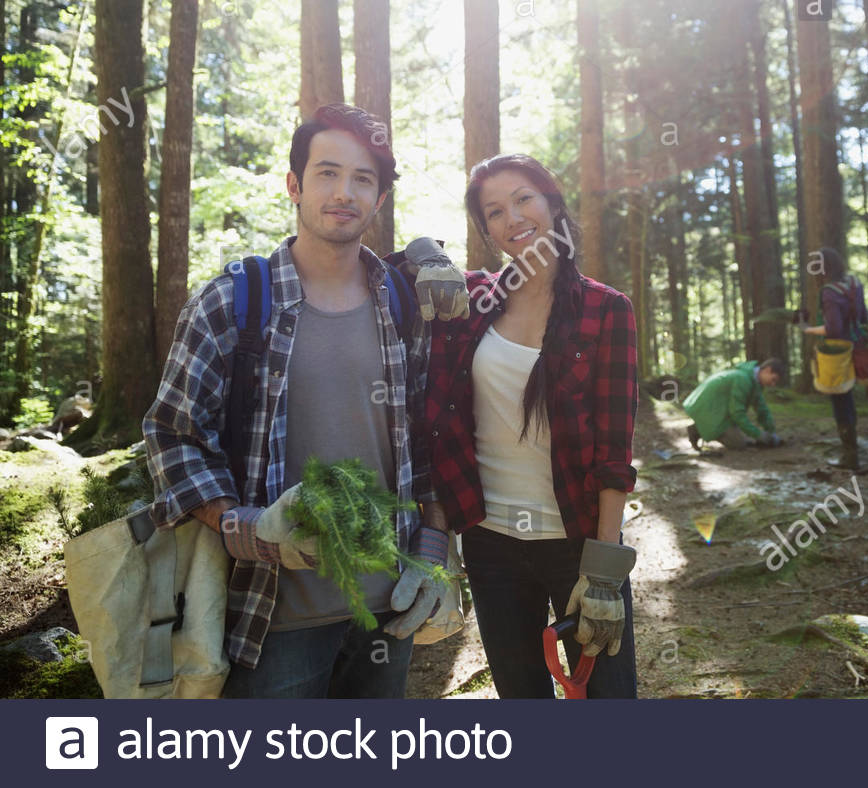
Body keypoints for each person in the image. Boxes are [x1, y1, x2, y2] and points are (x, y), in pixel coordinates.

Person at [143, 103, 467, 698]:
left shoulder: (404, 304)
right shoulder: (231, 302)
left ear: (379, 198)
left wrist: (435, 547)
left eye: (363, 178)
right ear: (294, 185)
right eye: (326, 172)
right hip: (270, 617)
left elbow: (431, 439)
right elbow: (173, 435)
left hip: (388, 610)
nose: (344, 192)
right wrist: (243, 527)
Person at [417, 153, 639, 698]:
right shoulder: (471, 300)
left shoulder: (606, 310)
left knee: (610, 702)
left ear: (552, 203)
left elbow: (615, 453)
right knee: (521, 698)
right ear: (486, 229)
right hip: (489, 545)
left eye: (523, 199)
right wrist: (425, 251)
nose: (512, 217)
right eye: (494, 211)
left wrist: (605, 573)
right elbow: (391, 276)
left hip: (576, 545)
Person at [801, 246, 868, 471]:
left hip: (838, 353)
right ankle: (851, 452)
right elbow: (864, 316)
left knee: (840, 400)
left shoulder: (829, 292)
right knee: (847, 398)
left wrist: (808, 330)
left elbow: (833, 329)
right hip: (858, 347)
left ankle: (850, 456)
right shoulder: (855, 283)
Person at [682, 359, 786, 452]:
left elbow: (762, 409)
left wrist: (771, 432)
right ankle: (696, 430)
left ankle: (700, 428)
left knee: (744, 440)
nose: (773, 385)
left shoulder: (754, 383)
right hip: (707, 407)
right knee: (738, 443)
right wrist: (759, 435)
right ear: (767, 370)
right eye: (773, 379)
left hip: (716, 408)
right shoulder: (743, 379)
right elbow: (737, 413)